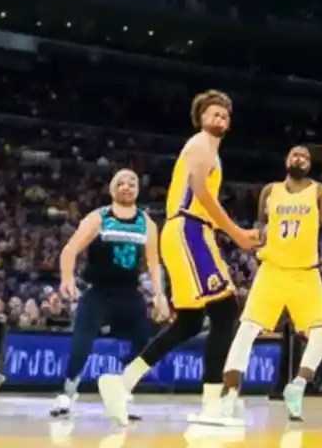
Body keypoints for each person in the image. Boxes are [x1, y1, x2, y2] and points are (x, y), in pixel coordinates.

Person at [97, 90, 259, 427]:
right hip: (189, 230)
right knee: (225, 312)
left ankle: (123, 382)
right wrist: (236, 233)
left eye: (225, 115)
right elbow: (199, 190)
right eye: (213, 113)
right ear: (201, 118)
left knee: (190, 322)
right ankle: (212, 406)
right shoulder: (201, 144)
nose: (220, 118)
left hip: (187, 231)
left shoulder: (209, 150)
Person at [218, 145, 322, 422]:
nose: (299, 158)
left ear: (310, 164)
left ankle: (297, 386)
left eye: (305, 156)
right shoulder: (269, 191)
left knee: (321, 332)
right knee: (247, 329)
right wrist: (258, 238)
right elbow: (261, 225)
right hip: (272, 270)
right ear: (286, 160)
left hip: (305, 273)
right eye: (294, 154)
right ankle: (229, 394)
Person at [50, 169, 168, 419]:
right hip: (99, 291)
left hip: (130, 293)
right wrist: (67, 278)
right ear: (112, 189)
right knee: (81, 342)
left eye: (132, 183)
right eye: (121, 183)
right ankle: (67, 393)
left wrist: (159, 295)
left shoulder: (147, 223)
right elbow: (70, 250)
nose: (126, 186)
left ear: (138, 190)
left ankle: (121, 390)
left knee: (146, 343)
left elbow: (153, 262)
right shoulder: (99, 218)